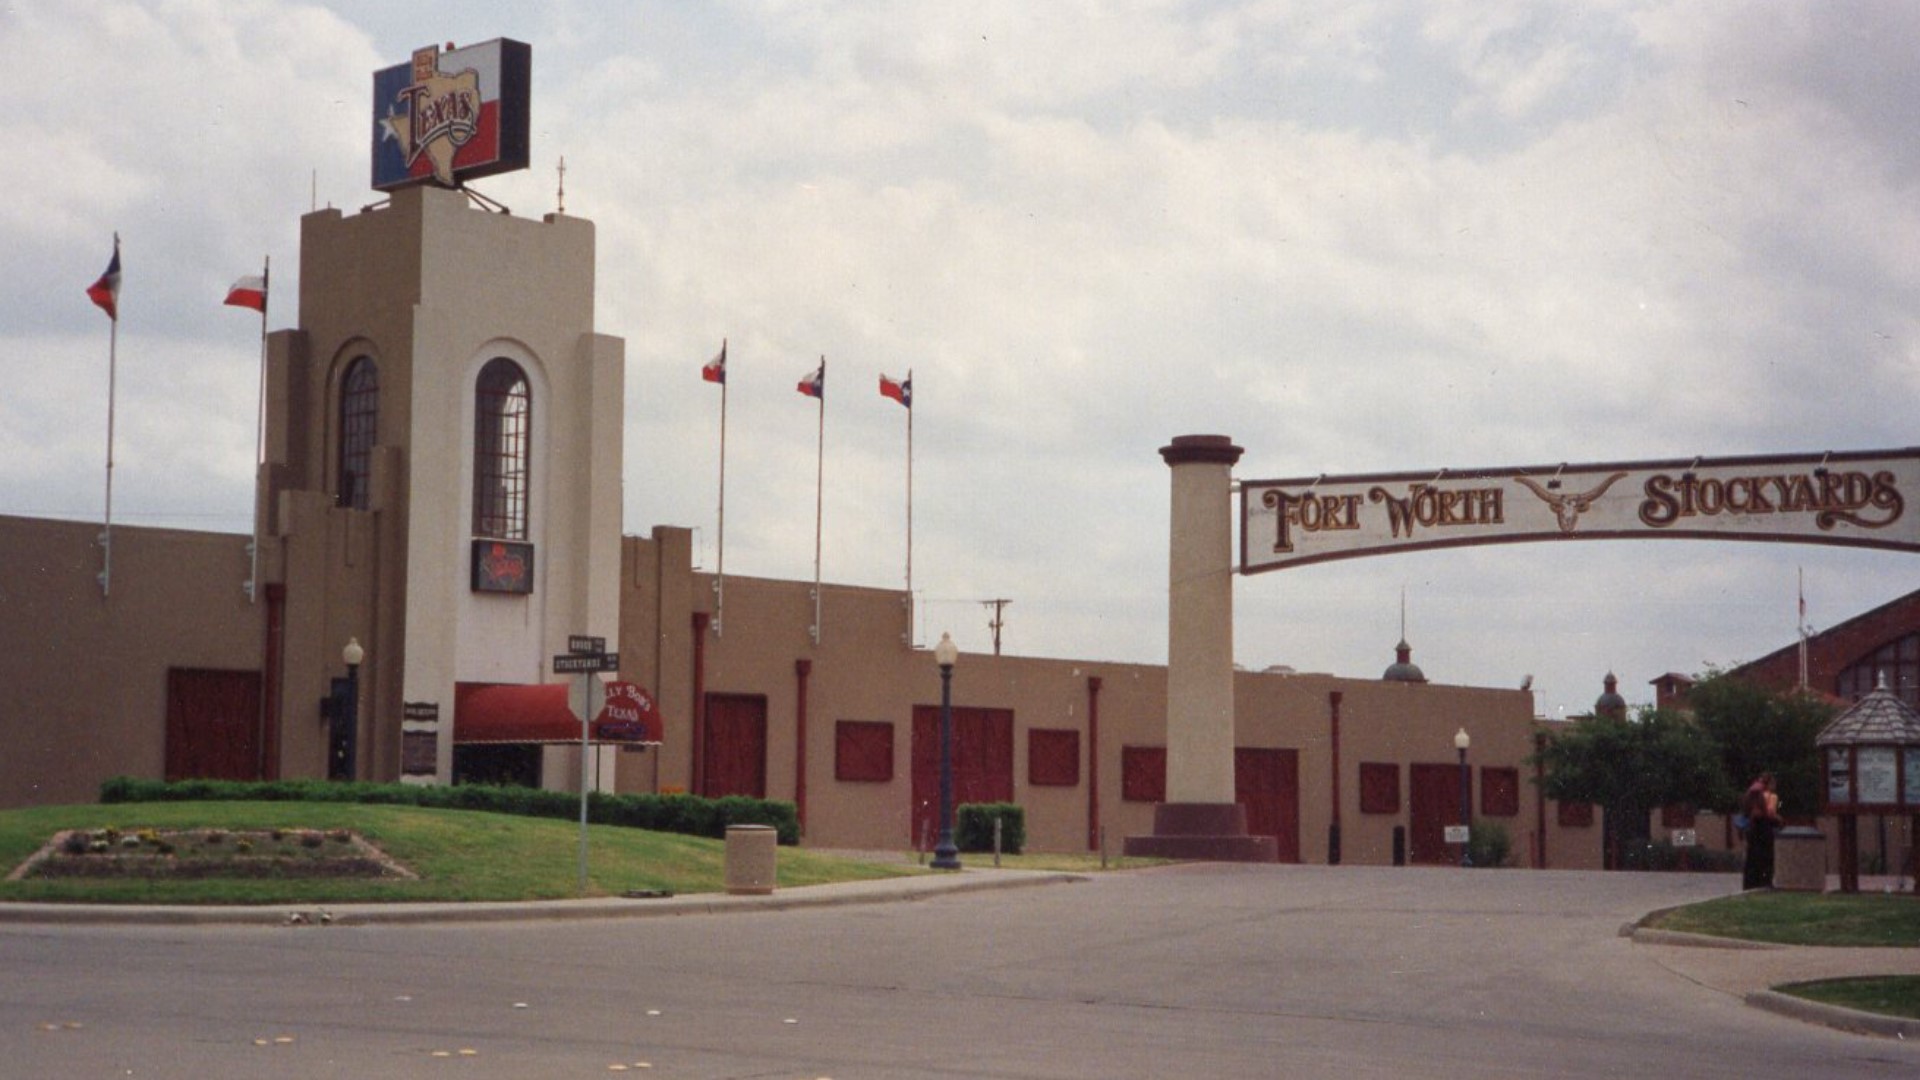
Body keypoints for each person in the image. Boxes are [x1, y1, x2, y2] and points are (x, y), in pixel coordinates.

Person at [1741, 773, 1781, 890]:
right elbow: (1770, 813)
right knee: (1766, 857)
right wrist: (1779, 819)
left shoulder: (1751, 793)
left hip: (1752, 829)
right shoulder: (1772, 796)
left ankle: (1750, 884)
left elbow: (1746, 811)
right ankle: (1765, 882)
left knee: (1752, 858)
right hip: (1765, 829)